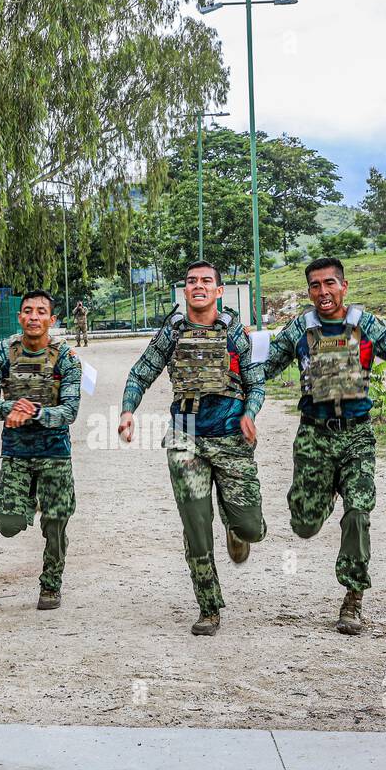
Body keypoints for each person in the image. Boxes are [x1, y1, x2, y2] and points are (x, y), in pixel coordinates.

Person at [262, 257, 386, 633]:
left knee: (358, 511)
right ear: (309, 291)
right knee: (304, 526)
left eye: (330, 283)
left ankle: (353, 597)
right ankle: (320, 494)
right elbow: (267, 366)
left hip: (356, 435)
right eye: (315, 286)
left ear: (344, 286)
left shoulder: (365, 325)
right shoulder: (299, 330)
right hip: (313, 437)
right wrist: (235, 380)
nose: (323, 292)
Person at [117, 260, 266, 636]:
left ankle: (237, 528)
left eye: (206, 281)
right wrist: (127, 410)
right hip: (185, 433)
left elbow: (256, 382)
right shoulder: (173, 331)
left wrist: (250, 412)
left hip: (231, 435)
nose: (198, 286)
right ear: (184, 291)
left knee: (251, 527)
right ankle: (209, 607)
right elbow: (141, 372)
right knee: (196, 527)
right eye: (191, 281)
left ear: (219, 291)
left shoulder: (235, 332)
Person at [0, 290, 82, 609]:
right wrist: (11, 408)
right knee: (8, 523)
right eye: (27, 311)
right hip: (16, 451)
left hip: (54, 451)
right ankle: (26, 501)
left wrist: (36, 412)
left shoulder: (66, 357)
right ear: (20, 317)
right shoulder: (3, 352)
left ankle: (51, 585)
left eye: (41, 312)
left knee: (55, 522)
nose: (34, 317)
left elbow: (70, 411)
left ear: (52, 319)